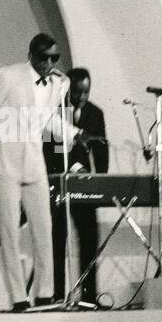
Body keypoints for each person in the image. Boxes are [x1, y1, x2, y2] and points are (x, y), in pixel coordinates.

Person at [0, 33, 70, 311]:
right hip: (7, 163)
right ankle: (19, 297)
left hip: (34, 164)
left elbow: (49, 119)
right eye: (44, 57)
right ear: (31, 55)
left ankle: (45, 293)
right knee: (9, 232)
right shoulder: (9, 75)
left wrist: (75, 134)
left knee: (44, 229)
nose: (49, 63)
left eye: (54, 58)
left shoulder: (56, 83)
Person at [48, 67, 108, 304]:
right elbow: (51, 150)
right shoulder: (54, 112)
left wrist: (100, 181)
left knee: (89, 240)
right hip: (60, 185)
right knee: (57, 240)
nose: (82, 97)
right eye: (77, 92)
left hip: (85, 188)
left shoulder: (96, 113)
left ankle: (89, 296)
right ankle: (56, 296)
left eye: (86, 92)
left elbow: (101, 150)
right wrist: (73, 168)